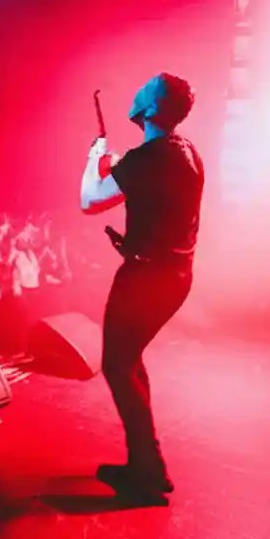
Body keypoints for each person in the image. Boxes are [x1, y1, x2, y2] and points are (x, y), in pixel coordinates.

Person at [80, 72, 204, 503]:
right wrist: (117, 168)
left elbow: (89, 201)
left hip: (146, 278)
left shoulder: (150, 157)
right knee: (129, 361)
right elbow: (143, 191)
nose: (136, 90)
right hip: (173, 276)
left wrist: (95, 156)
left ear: (150, 109)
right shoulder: (184, 151)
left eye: (145, 88)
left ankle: (146, 473)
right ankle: (147, 465)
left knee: (117, 366)